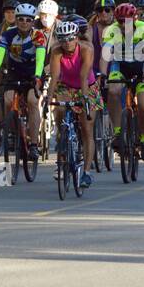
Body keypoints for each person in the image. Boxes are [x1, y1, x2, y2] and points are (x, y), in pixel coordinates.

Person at [0, 3, 48, 160]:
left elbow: (41, 59)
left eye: (28, 20)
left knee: (32, 101)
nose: (24, 22)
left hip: (32, 73)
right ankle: (16, 134)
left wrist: (37, 76)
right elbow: (0, 54)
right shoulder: (8, 34)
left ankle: (34, 145)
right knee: (8, 101)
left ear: (32, 21)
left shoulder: (38, 35)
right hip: (14, 73)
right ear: (15, 20)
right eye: (20, 19)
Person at [45, 19, 100, 186]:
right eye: (62, 39)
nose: (66, 43)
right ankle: (62, 157)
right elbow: (54, 76)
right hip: (66, 86)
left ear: (76, 37)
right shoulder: (56, 50)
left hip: (87, 86)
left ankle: (87, 173)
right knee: (61, 114)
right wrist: (48, 98)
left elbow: (83, 76)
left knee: (86, 127)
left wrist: (84, 100)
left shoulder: (86, 48)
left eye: (70, 38)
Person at [102, 2, 144, 160]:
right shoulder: (111, 30)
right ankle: (118, 132)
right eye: (120, 21)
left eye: (127, 21)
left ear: (135, 19)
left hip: (140, 67)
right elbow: (105, 56)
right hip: (120, 66)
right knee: (113, 91)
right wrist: (104, 75)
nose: (123, 25)